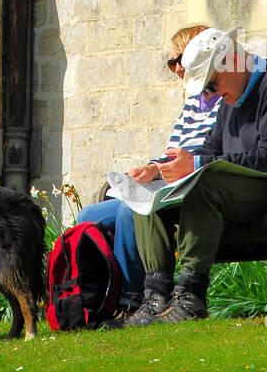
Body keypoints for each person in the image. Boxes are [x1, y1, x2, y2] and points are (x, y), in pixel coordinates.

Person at [126, 26, 267, 327]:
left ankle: (190, 298)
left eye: (211, 85)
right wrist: (160, 171)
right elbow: (213, 147)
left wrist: (196, 163)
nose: (211, 94)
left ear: (232, 61)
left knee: (204, 183)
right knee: (146, 193)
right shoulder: (231, 97)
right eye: (207, 89)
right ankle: (156, 299)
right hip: (246, 192)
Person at [75, 23, 221, 324]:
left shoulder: (224, 99)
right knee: (87, 218)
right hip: (167, 181)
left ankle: (134, 301)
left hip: (191, 189)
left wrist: (166, 170)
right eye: (171, 63)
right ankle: (102, 301)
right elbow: (171, 154)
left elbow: (209, 154)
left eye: (179, 61)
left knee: (134, 209)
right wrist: (150, 169)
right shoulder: (193, 102)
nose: (177, 69)